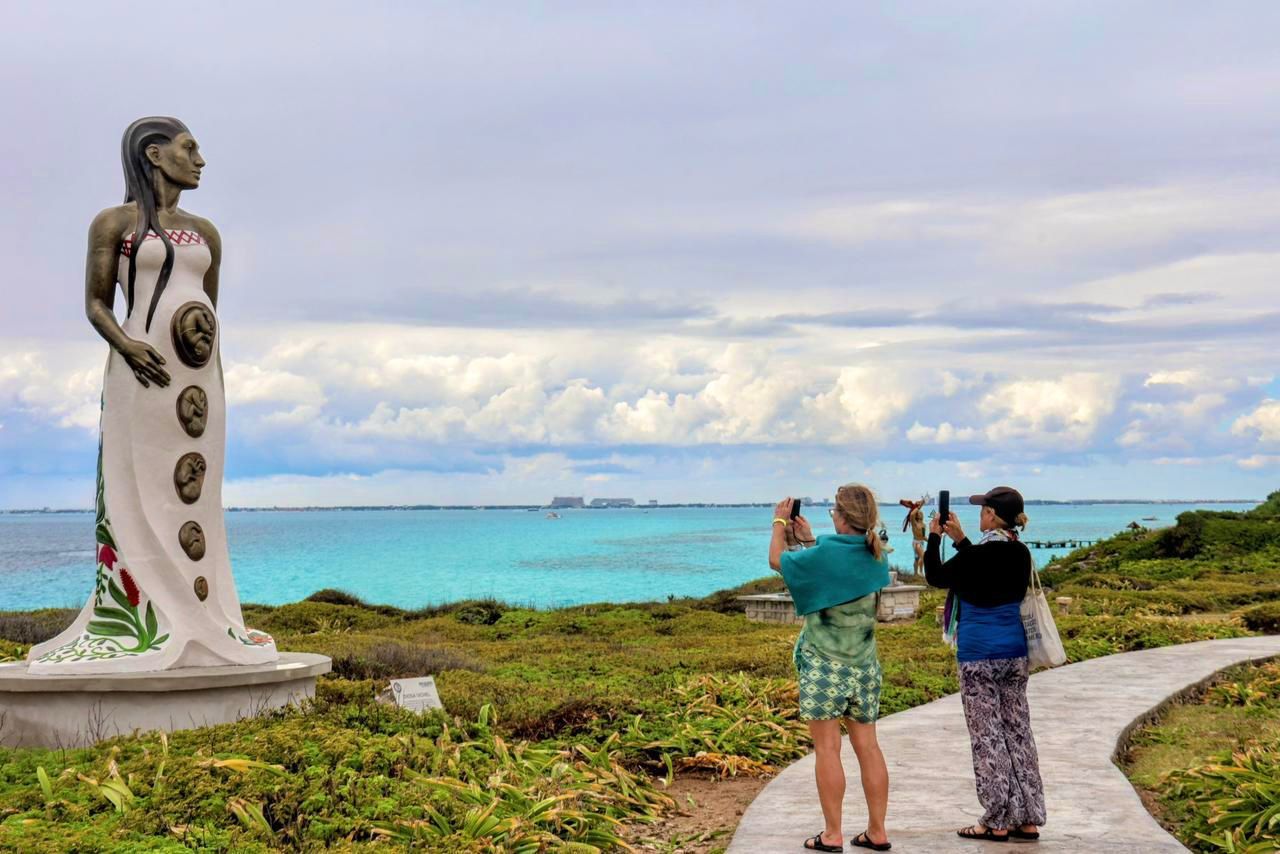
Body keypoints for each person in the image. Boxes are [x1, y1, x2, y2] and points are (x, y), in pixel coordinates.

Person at [29, 118, 276, 673]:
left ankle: (204, 609)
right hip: (139, 377)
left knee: (196, 491)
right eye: (191, 148)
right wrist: (130, 346)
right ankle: (144, 613)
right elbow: (96, 303)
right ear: (154, 154)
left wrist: (212, 369)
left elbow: (209, 306)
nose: (201, 160)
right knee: (136, 484)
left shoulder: (205, 232)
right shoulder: (114, 223)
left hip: (198, 381)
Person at [769, 485, 893, 852]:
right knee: (868, 747)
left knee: (827, 749)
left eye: (833, 512)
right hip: (865, 666)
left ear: (841, 516)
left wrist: (779, 524)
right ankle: (877, 831)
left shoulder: (827, 553)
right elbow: (837, 572)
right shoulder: (876, 553)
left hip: (826, 667)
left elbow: (778, 560)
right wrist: (809, 542)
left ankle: (833, 834)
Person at [924, 486, 1046, 842]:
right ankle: (1028, 817)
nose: (979, 515)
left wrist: (936, 537)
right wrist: (961, 539)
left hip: (978, 656)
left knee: (987, 737)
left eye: (982, 510)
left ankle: (996, 819)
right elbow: (984, 568)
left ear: (991, 515)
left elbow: (936, 575)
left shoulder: (974, 558)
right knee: (1018, 731)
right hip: (1014, 653)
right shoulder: (1021, 553)